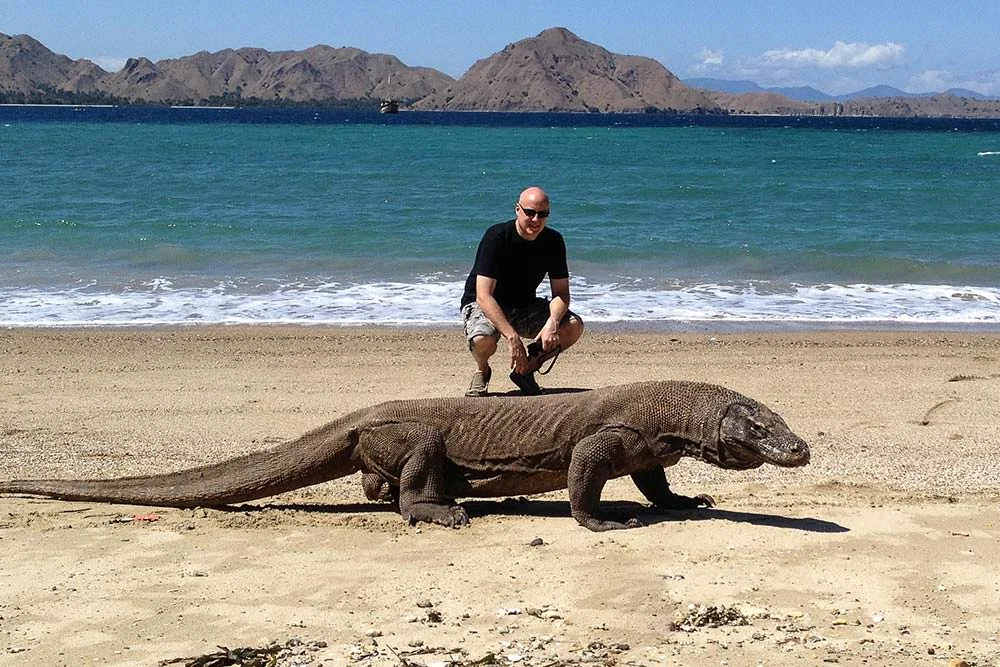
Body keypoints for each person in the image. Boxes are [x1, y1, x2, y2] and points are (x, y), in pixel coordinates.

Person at [460, 186, 585, 396]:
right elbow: (484, 295)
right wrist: (512, 338)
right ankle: (482, 370)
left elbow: (561, 293)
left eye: (543, 214)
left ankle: (525, 370)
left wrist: (552, 324)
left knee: (572, 326)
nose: (536, 220)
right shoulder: (497, 237)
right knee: (483, 341)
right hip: (486, 305)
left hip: (523, 304)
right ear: (517, 209)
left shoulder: (553, 241)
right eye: (530, 213)